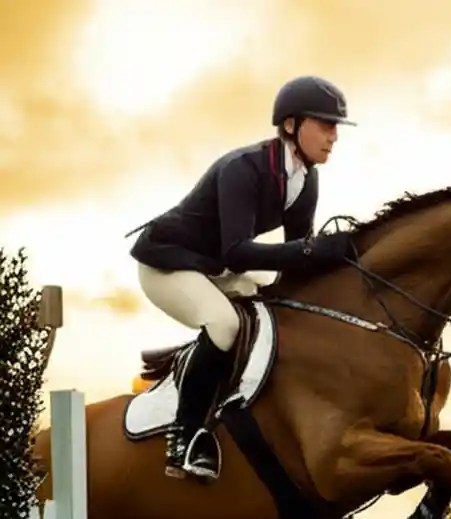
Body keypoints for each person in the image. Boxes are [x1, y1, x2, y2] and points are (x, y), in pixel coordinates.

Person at [129, 75, 358, 479]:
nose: (334, 136)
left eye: (335, 126)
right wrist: (313, 250)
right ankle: (184, 439)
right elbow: (238, 250)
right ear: (291, 125)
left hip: (215, 267)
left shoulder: (307, 179)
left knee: (273, 309)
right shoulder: (243, 168)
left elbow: (296, 256)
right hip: (166, 263)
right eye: (325, 124)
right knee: (224, 323)